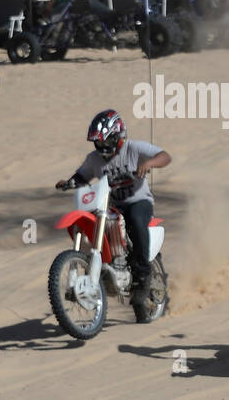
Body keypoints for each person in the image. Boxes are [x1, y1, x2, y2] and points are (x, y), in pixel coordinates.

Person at [55, 110, 173, 316]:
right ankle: (107, 267)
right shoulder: (94, 159)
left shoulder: (134, 148)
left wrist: (148, 163)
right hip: (112, 206)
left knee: (136, 220)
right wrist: (70, 182)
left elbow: (164, 156)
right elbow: (82, 175)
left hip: (139, 201)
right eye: (98, 143)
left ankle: (144, 276)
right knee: (99, 226)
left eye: (106, 141)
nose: (102, 147)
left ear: (118, 135)